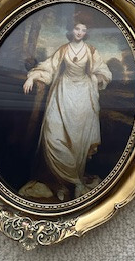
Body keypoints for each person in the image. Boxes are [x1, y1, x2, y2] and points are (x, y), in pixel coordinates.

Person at [22, 18, 112, 200]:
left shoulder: (91, 51)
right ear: (72, 30)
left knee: (77, 142)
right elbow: (49, 67)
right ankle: (60, 182)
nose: (80, 32)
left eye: (83, 30)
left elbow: (104, 72)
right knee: (53, 135)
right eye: (77, 29)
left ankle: (71, 184)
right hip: (62, 94)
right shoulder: (63, 49)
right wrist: (32, 77)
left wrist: (96, 79)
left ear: (86, 33)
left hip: (84, 96)